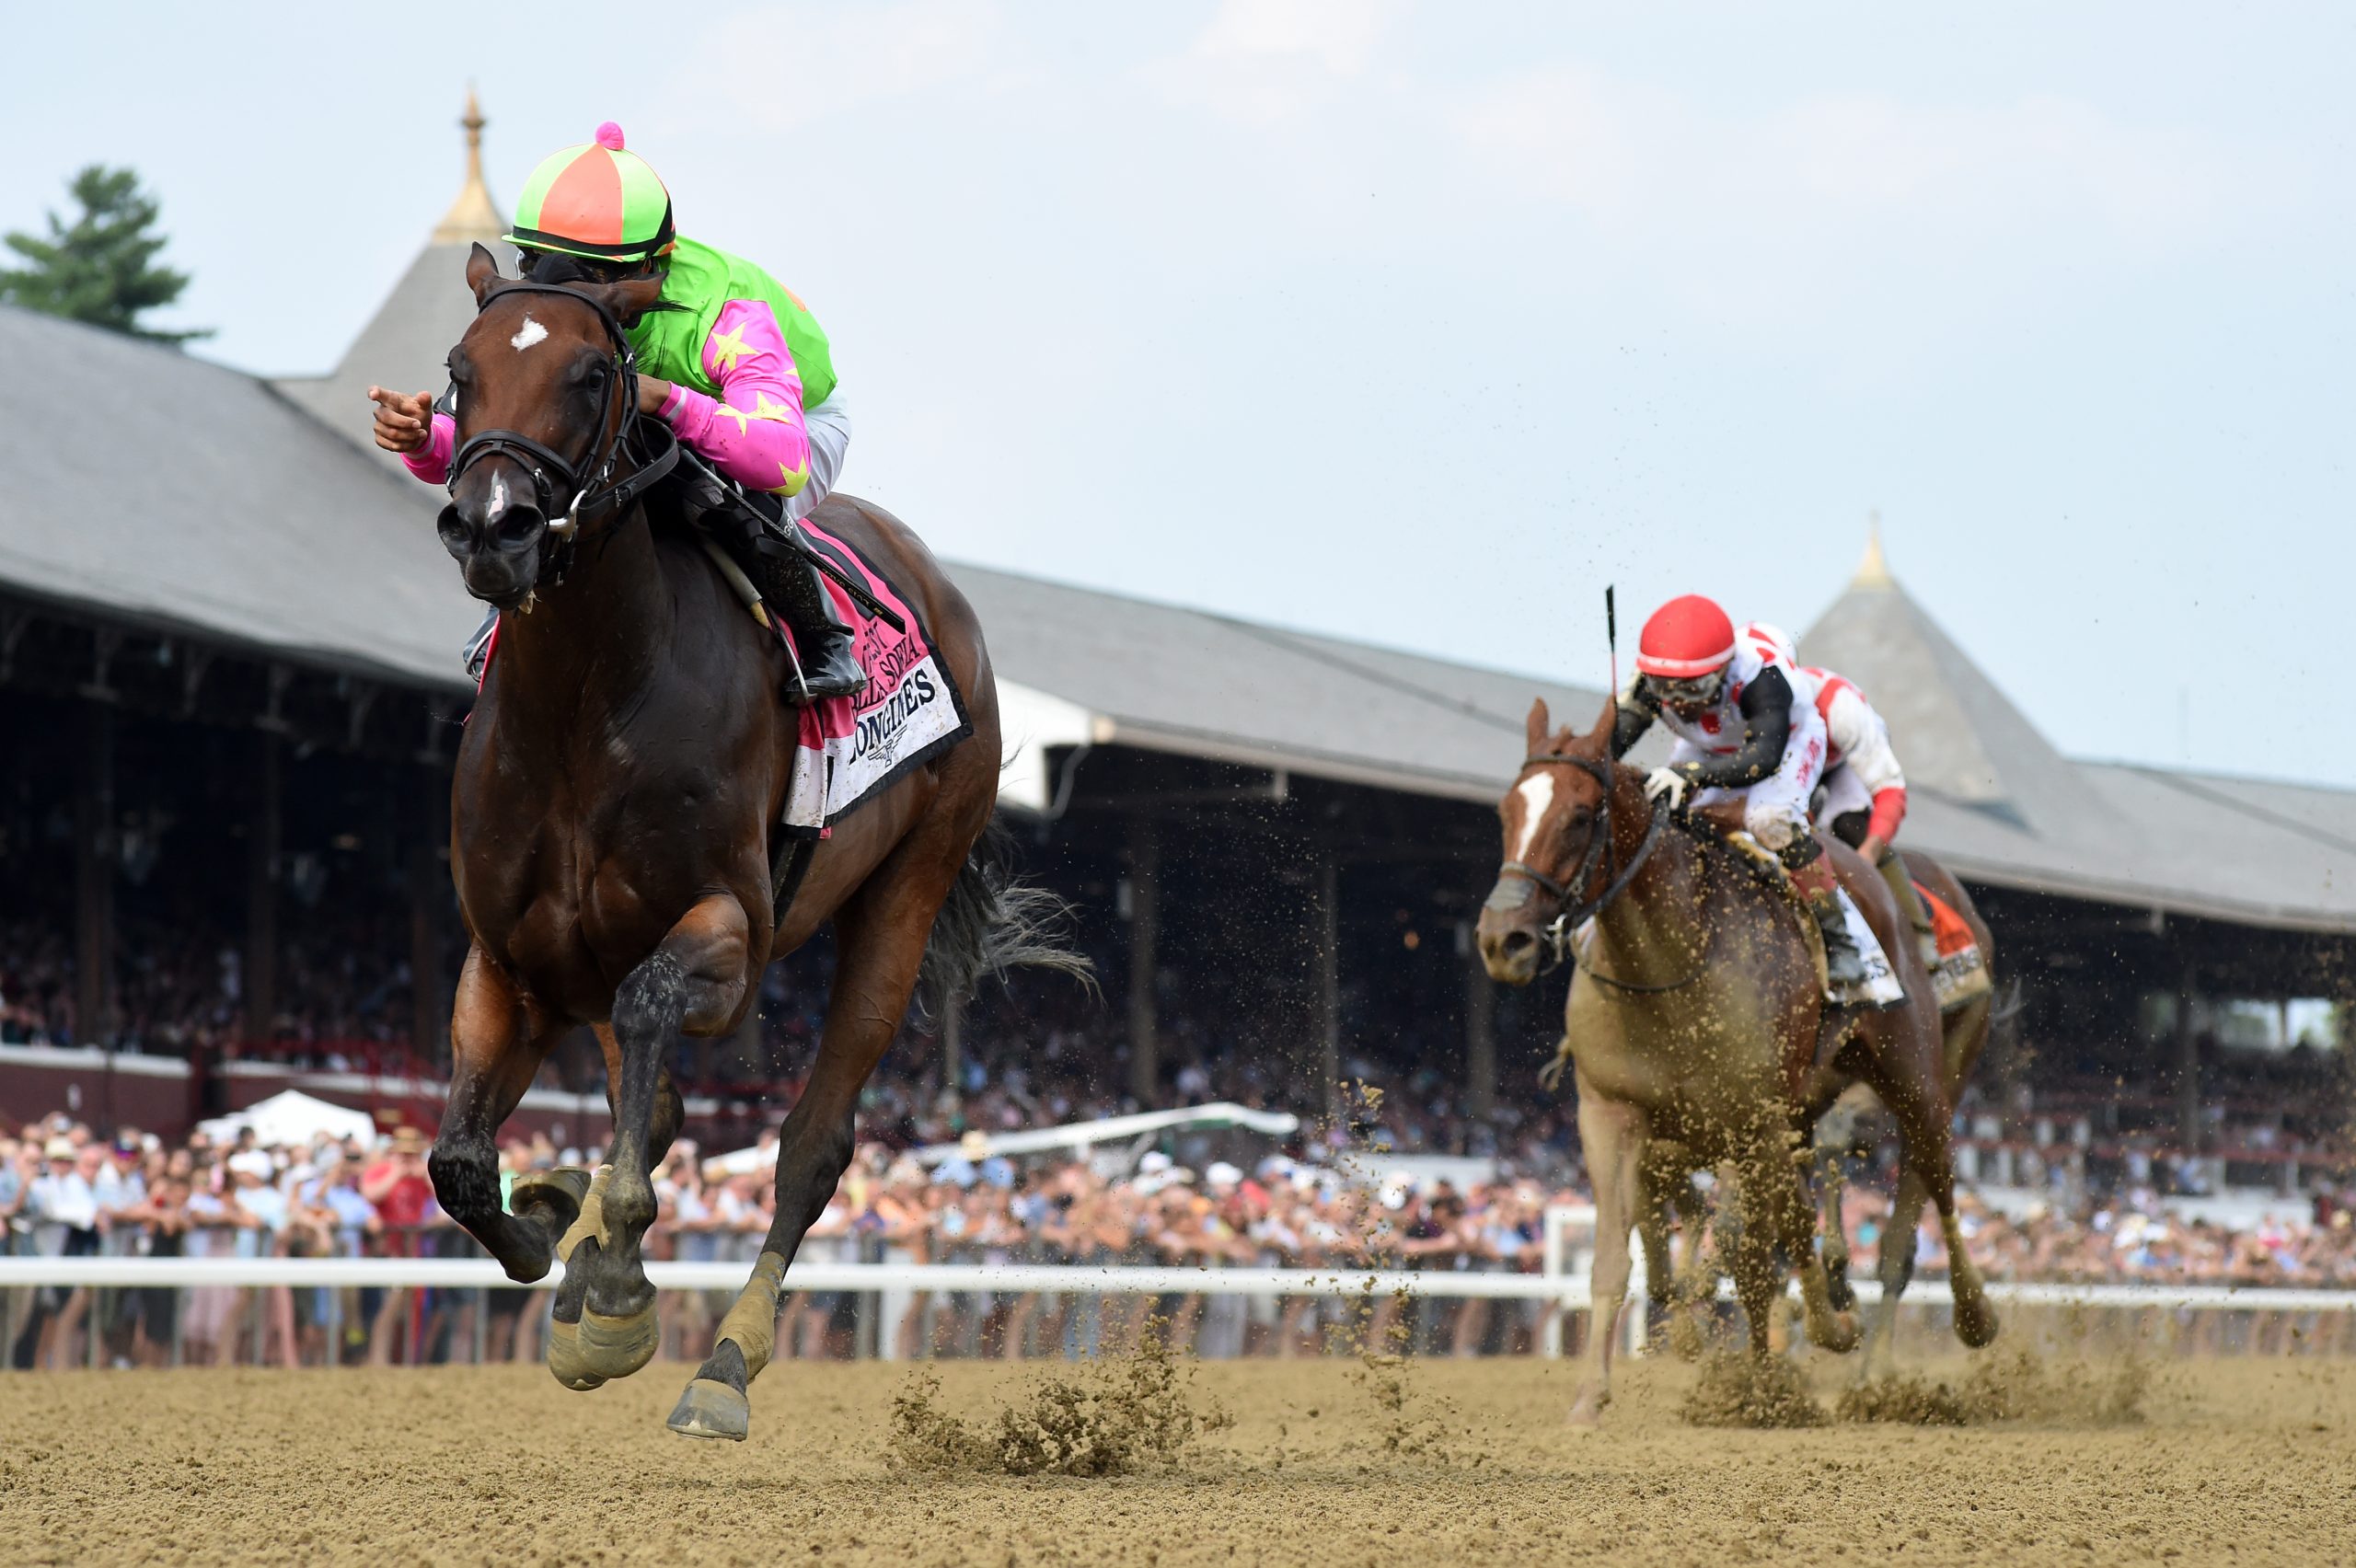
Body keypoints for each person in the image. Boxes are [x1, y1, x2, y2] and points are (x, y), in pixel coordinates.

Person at [368, 121, 863, 700]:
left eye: (589, 277)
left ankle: (823, 636)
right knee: (564, 471)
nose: (563, 294)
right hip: (653, 409)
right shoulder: (533, 312)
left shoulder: (728, 313)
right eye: (544, 268)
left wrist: (667, 399)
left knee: (690, 480)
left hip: (791, 422)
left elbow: (782, 463)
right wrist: (423, 439)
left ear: (644, 271)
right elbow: (491, 448)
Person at [1610, 594, 1867, 991]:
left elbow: (1762, 758)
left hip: (1788, 741)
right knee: (1664, 809)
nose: (1678, 702)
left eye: (1692, 690)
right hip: (1713, 746)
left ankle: (1839, 940)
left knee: (1771, 820)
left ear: (1724, 670)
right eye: (1666, 689)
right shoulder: (1653, 680)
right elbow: (1613, 744)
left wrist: (1693, 775)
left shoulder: (1763, 679)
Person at [1739, 622, 1941, 968]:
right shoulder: (1745, 702)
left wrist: (1866, 857)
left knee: (1850, 825)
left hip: (1840, 765)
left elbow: (1890, 790)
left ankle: (1919, 932)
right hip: (1792, 761)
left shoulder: (1842, 708)